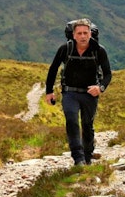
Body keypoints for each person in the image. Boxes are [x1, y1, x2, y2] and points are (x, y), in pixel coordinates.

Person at [45, 18, 112, 166]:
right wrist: (49, 91)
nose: (83, 36)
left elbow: (107, 73)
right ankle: (78, 158)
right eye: (79, 33)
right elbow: (53, 69)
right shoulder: (65, 49)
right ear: (74, 35)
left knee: (87, 125)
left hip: (90, 94)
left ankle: (87, 157)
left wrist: (100, 88)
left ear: (90, 34)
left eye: (85, 33)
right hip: (70, 93)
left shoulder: (99, 50)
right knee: (72, 120)